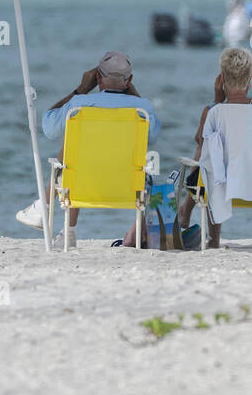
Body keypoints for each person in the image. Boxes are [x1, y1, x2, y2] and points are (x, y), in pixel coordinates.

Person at [15, 51, 160, 248]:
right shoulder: (143, 109)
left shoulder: (79, 104)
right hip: (127, 188)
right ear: (130, 80)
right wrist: (134, 94)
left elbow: (49, 129)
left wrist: (81, 89)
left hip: (82, 184)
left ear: (98, 78)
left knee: (72, 149)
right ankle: (64, 228)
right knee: (78, 149)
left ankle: (51, 212)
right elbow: (152, 136)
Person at [175, 47, 252, 249]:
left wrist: (217, 101)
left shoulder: (212, 111)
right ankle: (189, 213)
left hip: (219, 184)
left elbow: (199, 140)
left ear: (222, 77)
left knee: (207, 157)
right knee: (214, 162)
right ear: (250, 79)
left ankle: (190, 212)